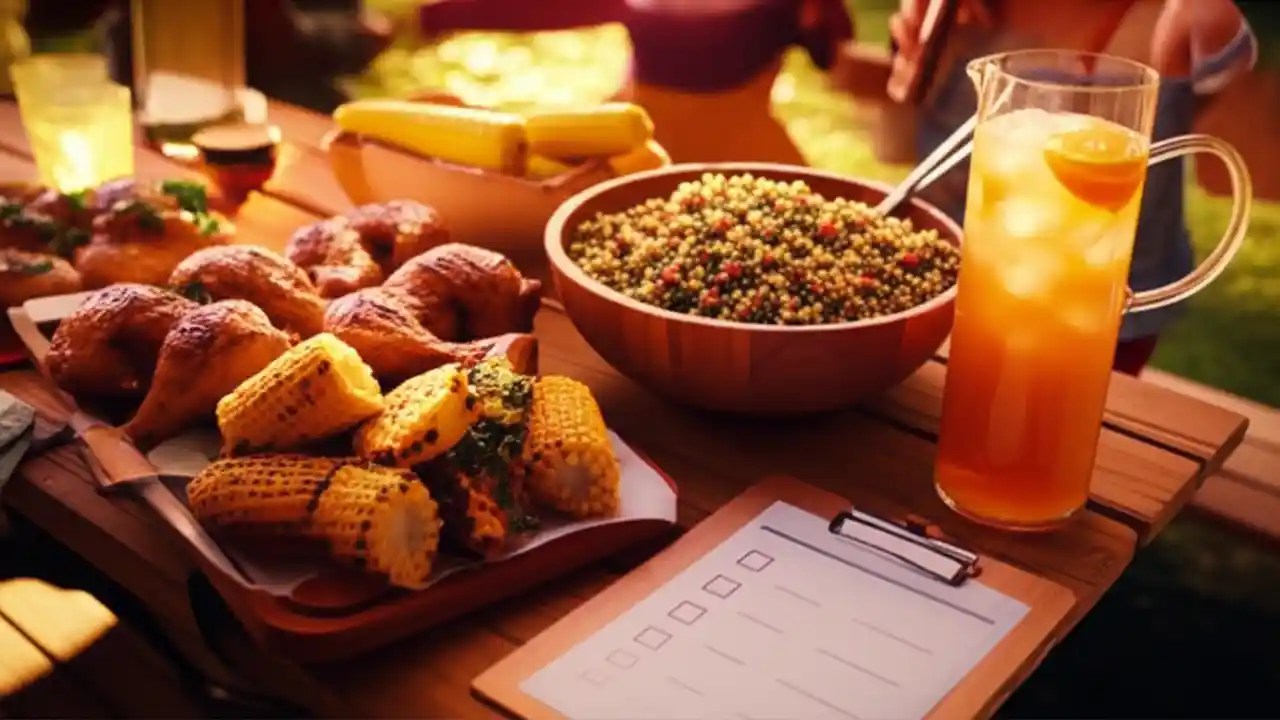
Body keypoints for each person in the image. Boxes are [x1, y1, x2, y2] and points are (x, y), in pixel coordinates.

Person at [889, 0, 1258, 375]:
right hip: (951, 290)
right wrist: (914, 45)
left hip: (1105, 313)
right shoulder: (957, 13)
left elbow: (1231, 73)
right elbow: (905, 122)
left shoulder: (1174, 16)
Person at [408, 0, 854, 164]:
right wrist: (443, 14)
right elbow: (830, 49)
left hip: (660, 147)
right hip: (640, 142)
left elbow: (831, 46)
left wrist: (441, 15)